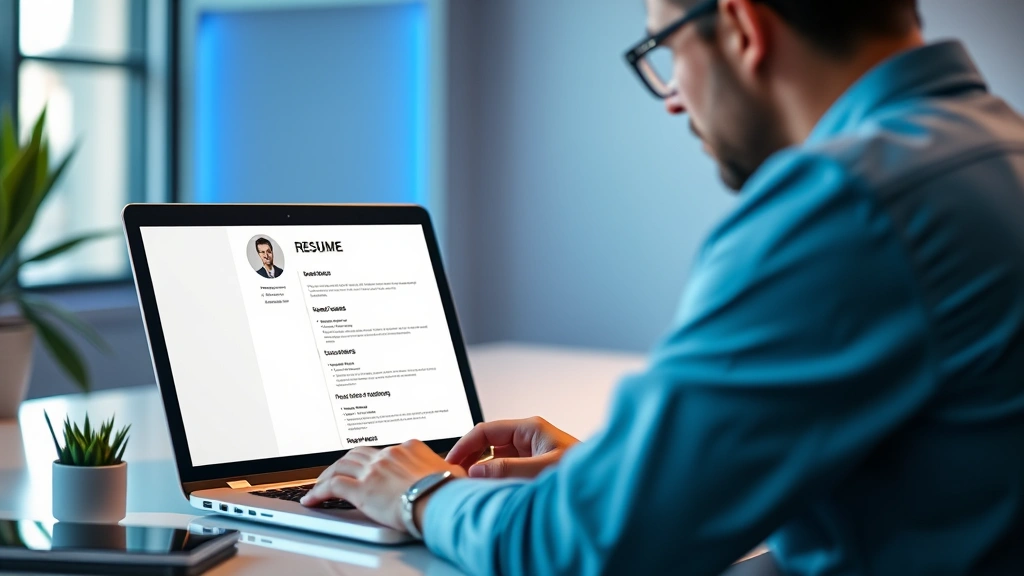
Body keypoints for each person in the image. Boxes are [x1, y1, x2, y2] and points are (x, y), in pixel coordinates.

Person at [301, 0, 1024, 573]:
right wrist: (624, 470)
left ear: (741, 26)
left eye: (668, 50)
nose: (674, 98)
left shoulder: (848, 200)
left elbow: (585, 552)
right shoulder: (992, 151)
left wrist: (421, 492)